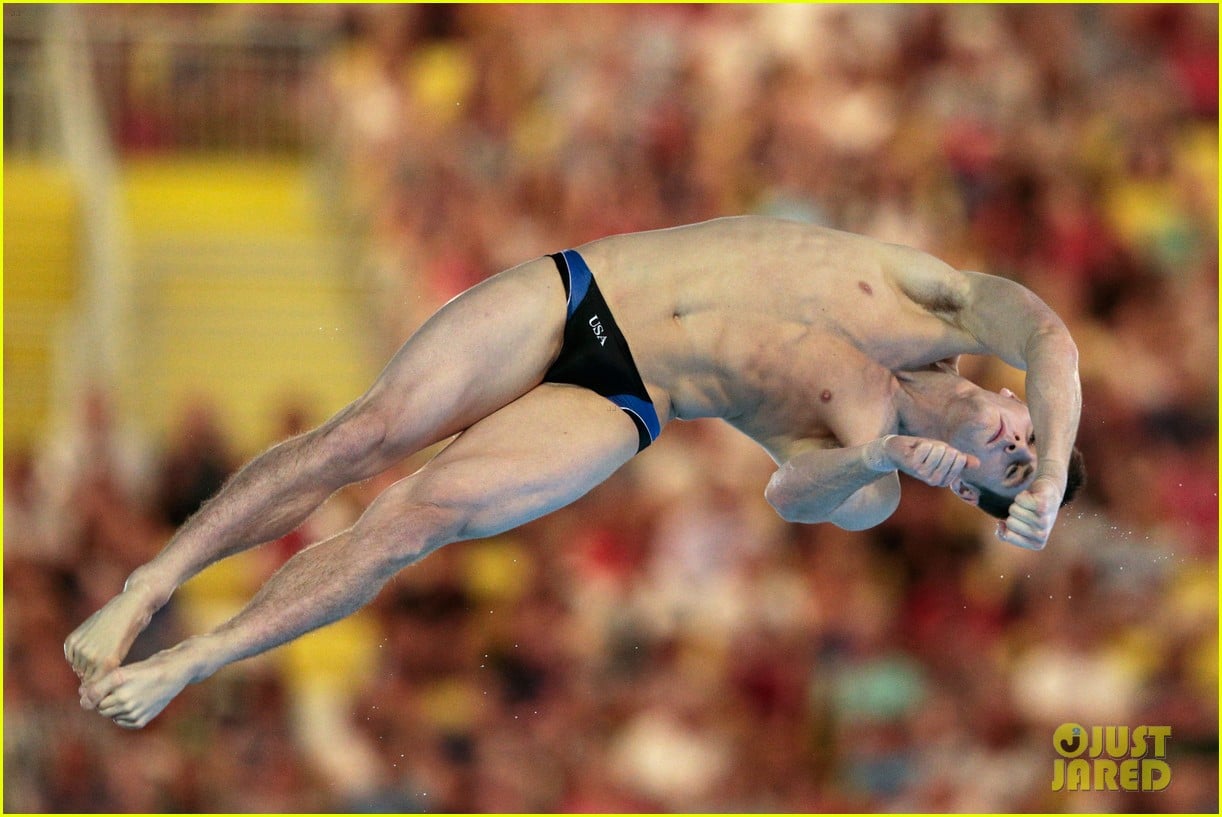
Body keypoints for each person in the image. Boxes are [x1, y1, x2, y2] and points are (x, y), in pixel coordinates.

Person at [66, 216, 1084, 728]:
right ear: (1015, 403)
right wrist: (1042, 487)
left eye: (1014, 474)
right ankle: (149, 585)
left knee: (414, 520)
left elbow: (794, 493)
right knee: (364, 433)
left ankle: (193, 659)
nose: (1016, 448)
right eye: (1032, 440)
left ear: (972, 492)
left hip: (625, 401)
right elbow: (1051, 339)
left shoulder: (874, 477)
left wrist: (887, 452)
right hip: (585, 293)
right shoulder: (942, 303)